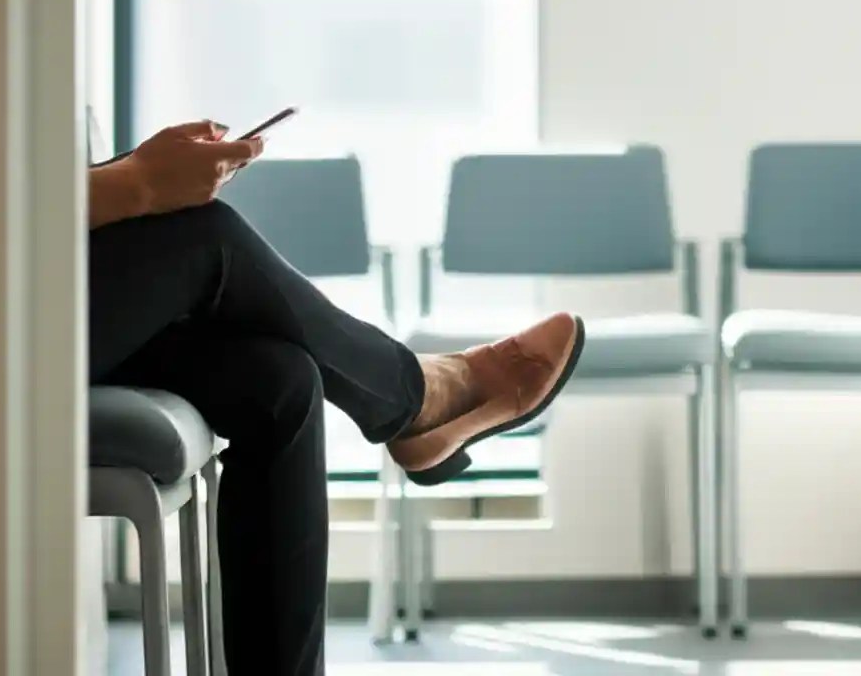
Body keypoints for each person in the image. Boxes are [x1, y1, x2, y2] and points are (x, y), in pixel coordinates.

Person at [89, 120, 584, 675]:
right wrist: (137, 182)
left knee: (282, 381)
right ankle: (415, 396)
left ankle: (410, 398)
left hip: (54, 305)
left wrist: (136, 175)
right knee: (207, 235)